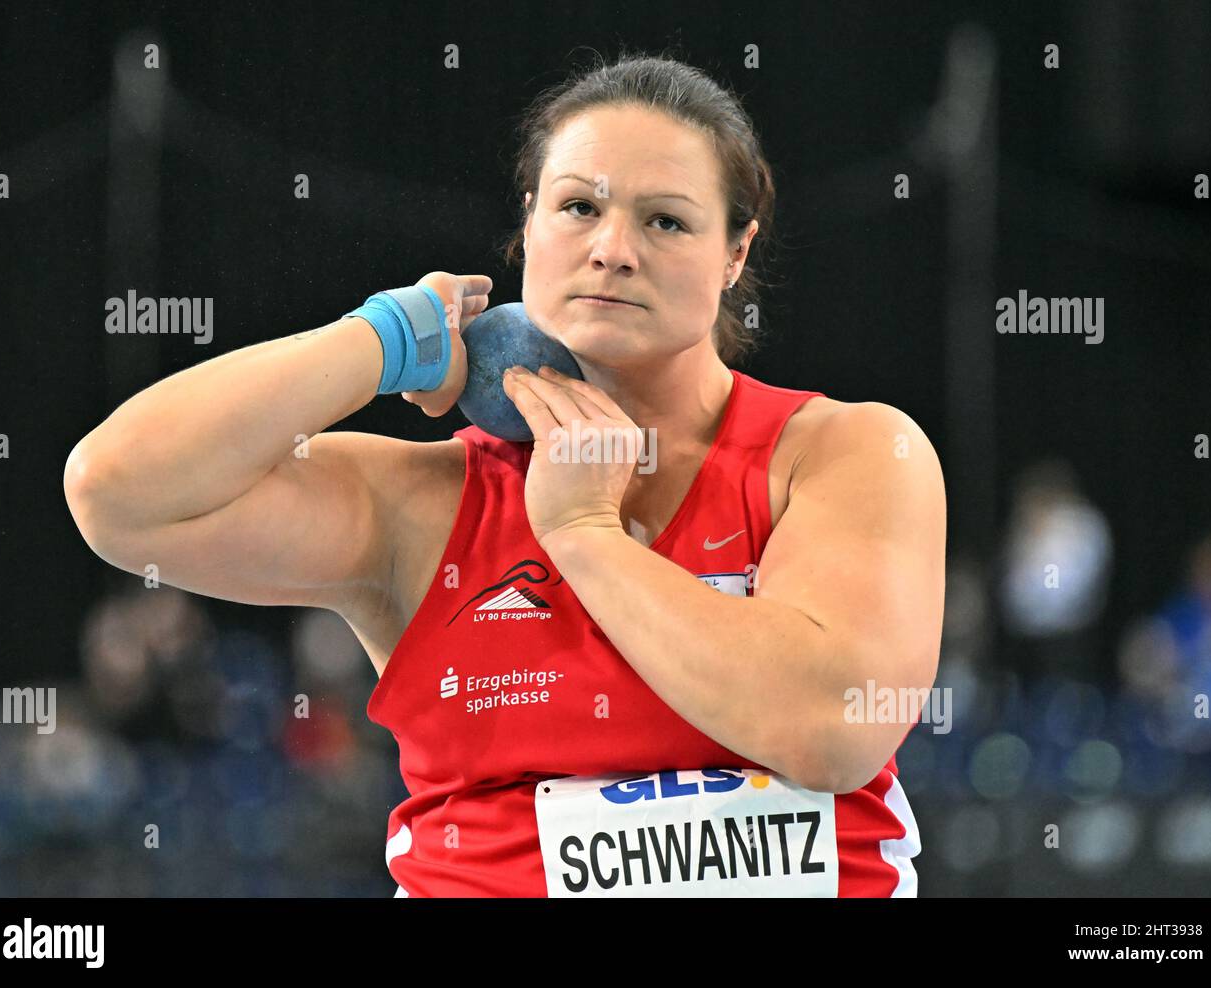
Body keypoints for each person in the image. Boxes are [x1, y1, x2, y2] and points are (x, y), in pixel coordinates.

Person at [64, 51, 946, 897]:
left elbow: (834, 730)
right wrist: (382, 340)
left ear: (735, 253)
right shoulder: (430, 507)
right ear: (527, 224)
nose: (613, 249)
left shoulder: (839, 454)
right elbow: (119, 494)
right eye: (576, 208)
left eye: (666, 220)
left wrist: (585, 536)